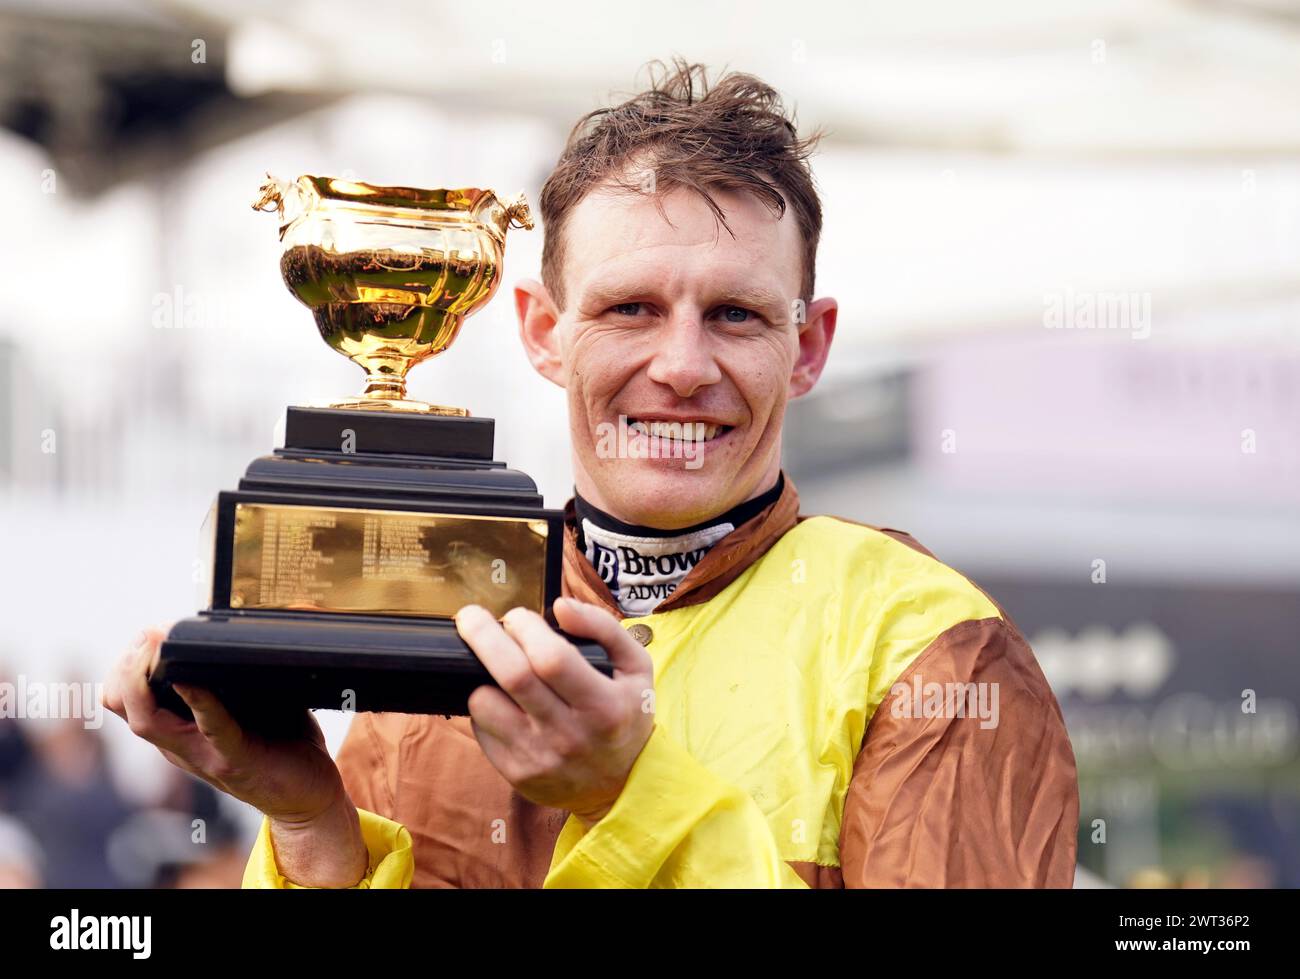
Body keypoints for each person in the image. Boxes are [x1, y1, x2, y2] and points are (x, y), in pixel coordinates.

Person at [105, 59, 1078, 889]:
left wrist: (632, 797)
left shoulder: (931, 648)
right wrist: (313, 826)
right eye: (630, 309)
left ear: (809, 345)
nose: (683, 366)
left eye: (735, 313)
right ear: (543, 330)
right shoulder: (429, 614)